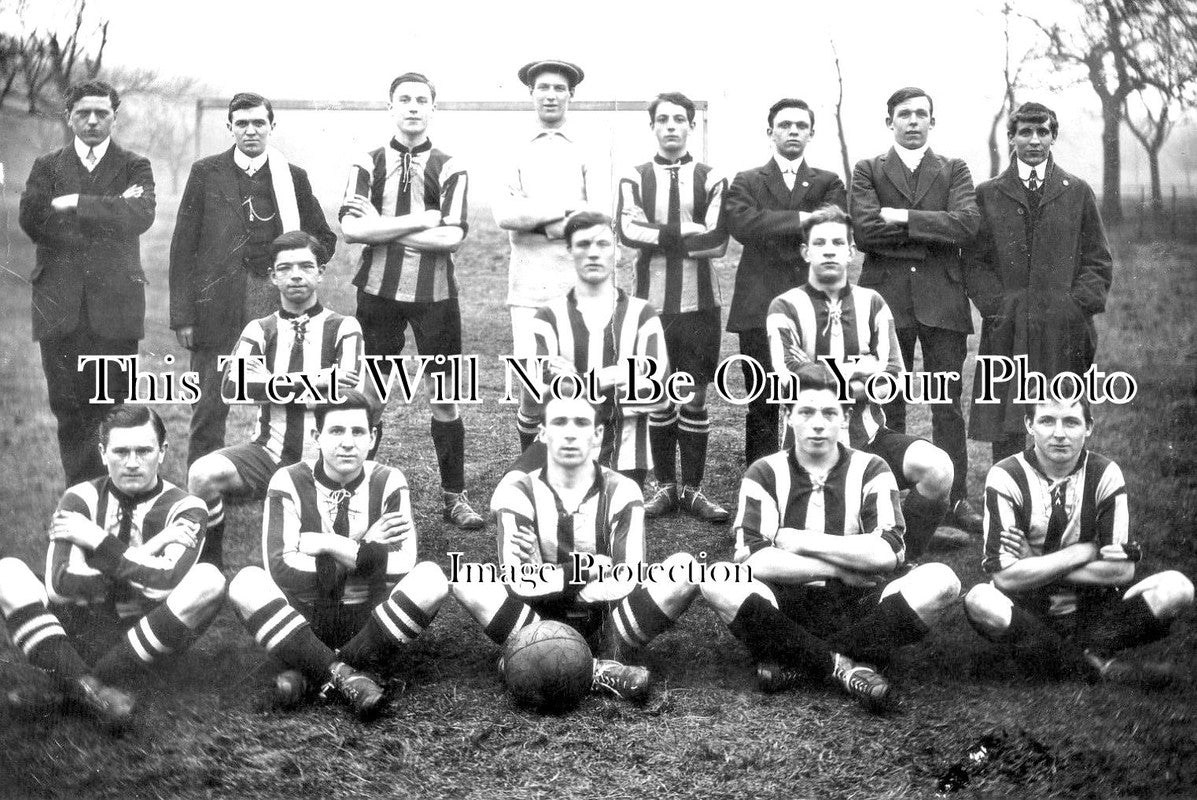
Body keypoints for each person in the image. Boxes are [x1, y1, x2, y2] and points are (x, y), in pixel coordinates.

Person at [701, 364, 961, 712]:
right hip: (787, 603)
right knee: (715, 579)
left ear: (845, 417)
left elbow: (888, 552)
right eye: (806, 412)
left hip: (858, 605)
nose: (818, 423)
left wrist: (801, 540)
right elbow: (753, 558)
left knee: (943, 581)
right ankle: (842, 665)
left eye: (829, 412)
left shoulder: (872, 468)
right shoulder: (764, 472)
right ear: (788, 415)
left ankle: (796, 660)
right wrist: (839, 569)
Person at [451, 395, 699, 703]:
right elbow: (517, 581)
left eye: (581, 423)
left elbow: (628, 577)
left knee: (686, 568)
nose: (570, 433)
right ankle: (596, 670)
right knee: (466, 579)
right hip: (539, 621)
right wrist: (587, 569)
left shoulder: (622, 489)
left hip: (606, 623)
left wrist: (552, 579)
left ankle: (547, 663)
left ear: (597, 435)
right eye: (559, 422)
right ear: (542, 433)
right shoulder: (516, 493)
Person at [0, 405, 225, 729]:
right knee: (7, 571)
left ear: (161, 452)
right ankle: (94, 692)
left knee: (209, 579)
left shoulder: (187, 508)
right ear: (103, 453)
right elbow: (60, 586)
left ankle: (74, 687)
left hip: (146, 636)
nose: (132, 462)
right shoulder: (80, 498)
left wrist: (95, 540)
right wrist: (152, 550)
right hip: (81, 630)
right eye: (121, 451)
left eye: (144, 451)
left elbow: (165, 583)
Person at [227, 390, 448, 719]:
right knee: (245, 583)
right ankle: (347, 676)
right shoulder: (288, 481)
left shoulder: (388, 481)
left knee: (432, 579)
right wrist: (369, 551)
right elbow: (281, 569)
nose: (348, 442)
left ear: (372, 437)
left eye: (358, 432)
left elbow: (402, 566)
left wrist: (329, 544)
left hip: (369, 624)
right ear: (317, 437)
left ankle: (314, 672)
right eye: (336, 431)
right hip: (305, 620)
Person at [767, 205, 954, 559]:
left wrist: (830, 371)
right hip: (810, 445)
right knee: (817, 536)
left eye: (839, 242)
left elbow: (895, 378)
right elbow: (792, 378)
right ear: (806, 251)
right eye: (819, 242)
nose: (829, 250)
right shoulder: (785, 306)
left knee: (938, 468)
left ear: (852, 251)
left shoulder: (873, 302)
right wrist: (862, 367)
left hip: (869, 437)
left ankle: (902, 555)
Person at [963, 398, 1193, 686]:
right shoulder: (1006, 475)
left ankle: (1065, 659)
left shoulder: (1105, 473)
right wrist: (1084, 551)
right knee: (979, 600)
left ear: (1089, 428)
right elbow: (1005, 578)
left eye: (1071, 422)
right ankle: (1097, 665)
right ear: (1029, 425)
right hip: (1028, 610)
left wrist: (1033, 560)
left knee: (1179, 587)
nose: (1059, 433)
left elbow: (1122, 572)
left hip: (1094, 612)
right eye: (1047, 420)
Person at [340, 71, 483, 531]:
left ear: (433, 108)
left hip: (435, 296)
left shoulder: (452, 165)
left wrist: (383, 225)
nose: (413, 107)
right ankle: (354, 491)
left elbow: (454, 236)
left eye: (422, 99)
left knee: (445, 396)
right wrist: (422, 219)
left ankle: (454, 497)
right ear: (391, 106)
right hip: (378, 293)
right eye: (404, 99)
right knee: (371, 394)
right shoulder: (366, 161)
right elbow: (351, 230)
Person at [170, 91, 337, 467]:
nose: (250, 131)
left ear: (272, 126)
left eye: (258, 123)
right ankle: (205, 484)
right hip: (215, 304)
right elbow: (183, 248)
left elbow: (323, 238)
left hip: (273, 302)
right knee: (210, 400)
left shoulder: (292, 177)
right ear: (229, 127)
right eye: (242, 123)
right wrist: (183, 316)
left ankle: (285, 477)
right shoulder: (205, 172)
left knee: (285, 393)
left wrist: (298, 270)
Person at [187, 230, 364, 569]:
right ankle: (208, 566)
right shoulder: (259, 328)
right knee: (201, 474)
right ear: (272, 276)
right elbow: (232, 388)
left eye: (305, 266)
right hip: (267, 453)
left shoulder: (345, 328)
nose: (296, 275)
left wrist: (267, 381)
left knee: (328, 560)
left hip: (325, 458)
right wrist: (318, 380)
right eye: (285, 268)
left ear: (321, 272)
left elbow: (345, 394)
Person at [850, 87, 982, 534]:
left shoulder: (954, 168)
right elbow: (865, 232)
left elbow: (965, 225)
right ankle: (893, 501)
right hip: (886, 300)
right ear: (890, 122)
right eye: (903, 115)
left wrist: (902, 218)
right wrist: (931, 225)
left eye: (921, 114)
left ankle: (956, 497)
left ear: (932, 121)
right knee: (890, 400)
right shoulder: (868, 169)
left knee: (947, 403)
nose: (912, 121)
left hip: (943, 302)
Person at [19, 80, 155, 486]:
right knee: (68, 407)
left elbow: (140, 216)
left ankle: (114, 492)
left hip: (116, 310)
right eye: (83, 113)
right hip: (59, 309)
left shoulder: (135, 166)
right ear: (69, 116)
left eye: (101, 113)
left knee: (112, 408)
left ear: (115, 116)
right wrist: (111, 213)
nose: (92, 121)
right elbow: (34, 221)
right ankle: (80, 493)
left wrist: (75, 204)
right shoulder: (47, 166)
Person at [966, 102, 1114, 463]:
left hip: (1062, 326)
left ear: (1053, 136)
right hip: (1009, 323)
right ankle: (1008, 493)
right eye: (1025, 132)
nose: (1034, 141)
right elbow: (974, 261)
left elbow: (1098, 259)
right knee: (1009, 422)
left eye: (1043, 132)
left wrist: (1075, 307)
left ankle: (1063, 495)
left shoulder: (1077, 191)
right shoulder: (988, 193)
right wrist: (997, 307)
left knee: (1062, 415)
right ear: (1012, 138)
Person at [616, 91, 730, 523]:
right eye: (662, 119)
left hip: (701, 302)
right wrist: (688, 230)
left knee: (696, 396)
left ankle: (694, 490)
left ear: (690, 125)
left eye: (678, 119)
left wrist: (660, 232)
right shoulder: (635, 175)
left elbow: (716, 241)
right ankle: (665, 487)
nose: (670, 126)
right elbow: (627, 229)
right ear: (652, 127)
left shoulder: (712, 176)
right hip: (649, 304)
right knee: (658, 396)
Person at [725, 98, 847, 467]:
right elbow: (743, 226)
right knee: (761, 402)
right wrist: (802, 218)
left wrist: (772, 222)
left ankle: (815, 477)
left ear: (811, 133)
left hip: (816, 307)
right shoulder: (747, 180)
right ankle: (761, 481)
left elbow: (831, 225)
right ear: (770, 132)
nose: (792, 131)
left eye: (800, 125)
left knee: (817, 398)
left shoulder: (829, 181)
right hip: (757, 304)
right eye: (784, 125)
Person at [494, 59, 608, 450]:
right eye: (543, 87)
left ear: (570, 95)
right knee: (532, 385)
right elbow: (505, 213)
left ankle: (583, 471)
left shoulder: (588, 146)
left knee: (585, 381)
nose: (551, 95)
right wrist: (564, 211)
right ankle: (533, 468)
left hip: (581, 286)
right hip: (528, 286)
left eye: (559, 88)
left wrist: (536, 216)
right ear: (531, 93)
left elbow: (598, 214)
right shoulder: (514, 148)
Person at [518, 211, 669, 488]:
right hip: (558, 456)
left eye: (603, 244)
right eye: (583, 244)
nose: (593, 254)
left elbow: (659, 396)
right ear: (569, 251)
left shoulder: (642, 315)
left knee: (605, 526)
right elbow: (536, 393)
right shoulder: (548, 317)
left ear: (618, 251)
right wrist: (612, 377)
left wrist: (573, 383)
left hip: (625, 459)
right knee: (506, 499)